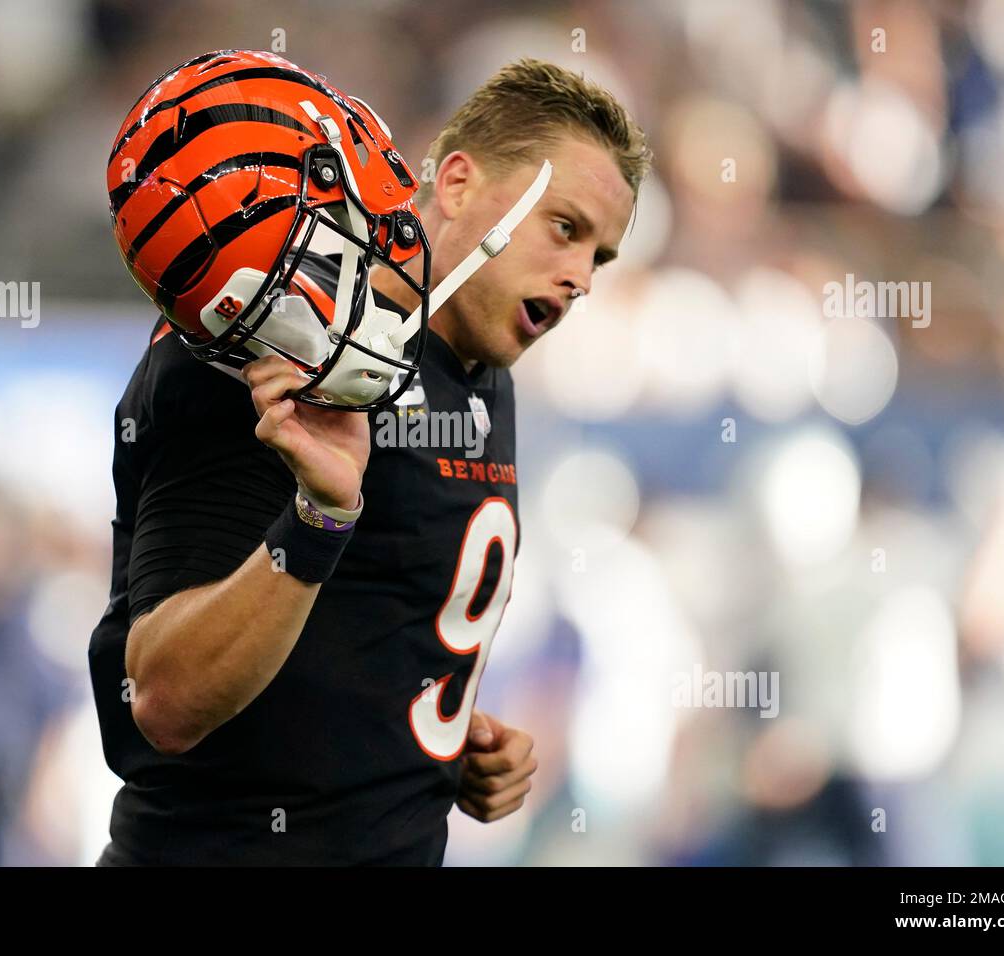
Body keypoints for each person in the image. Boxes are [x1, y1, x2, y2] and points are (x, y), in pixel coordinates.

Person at [89, 50, 648, 865]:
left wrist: (440, 747)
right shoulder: (276, 355)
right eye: (565, 228)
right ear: (455, 184)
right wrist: (319, 518)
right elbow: (166, 700)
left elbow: (349, 646)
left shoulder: (483, 376)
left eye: (598, 256)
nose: (580, 279)